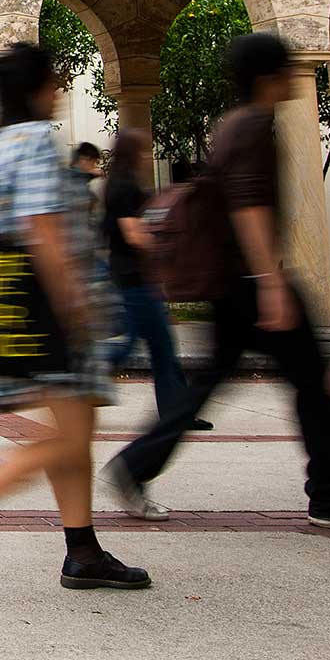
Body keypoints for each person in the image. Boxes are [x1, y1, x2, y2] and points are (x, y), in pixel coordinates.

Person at [105, 33, 330, 531]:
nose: (292, 78)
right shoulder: (254, 125)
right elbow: (248, 207)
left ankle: (135, 466)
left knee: (210, 383)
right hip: (252, 280)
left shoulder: (232, 124)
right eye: (286, 70)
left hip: (233, 282)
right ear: (269, 77)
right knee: (315, 385)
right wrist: (270, 282)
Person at [0, 43, 145, 589]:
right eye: (54, 81)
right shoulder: (37, 141)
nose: (60, 90)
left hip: (1, 299)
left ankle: (82, 550)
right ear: (36, 90)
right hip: (45, 303)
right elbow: (43, 231)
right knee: (73, 435)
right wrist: (75, 308)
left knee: (72, 429)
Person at [100, 128, 209, 435]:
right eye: (144, 151)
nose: (149, 157)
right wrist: (165, 249)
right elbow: (133, 234)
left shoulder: (119, 184)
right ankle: (78, 369)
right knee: (149, 348)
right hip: (134, 280)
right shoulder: (124, 186)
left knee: (160, 349)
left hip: (134, 278)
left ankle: (178, 412)